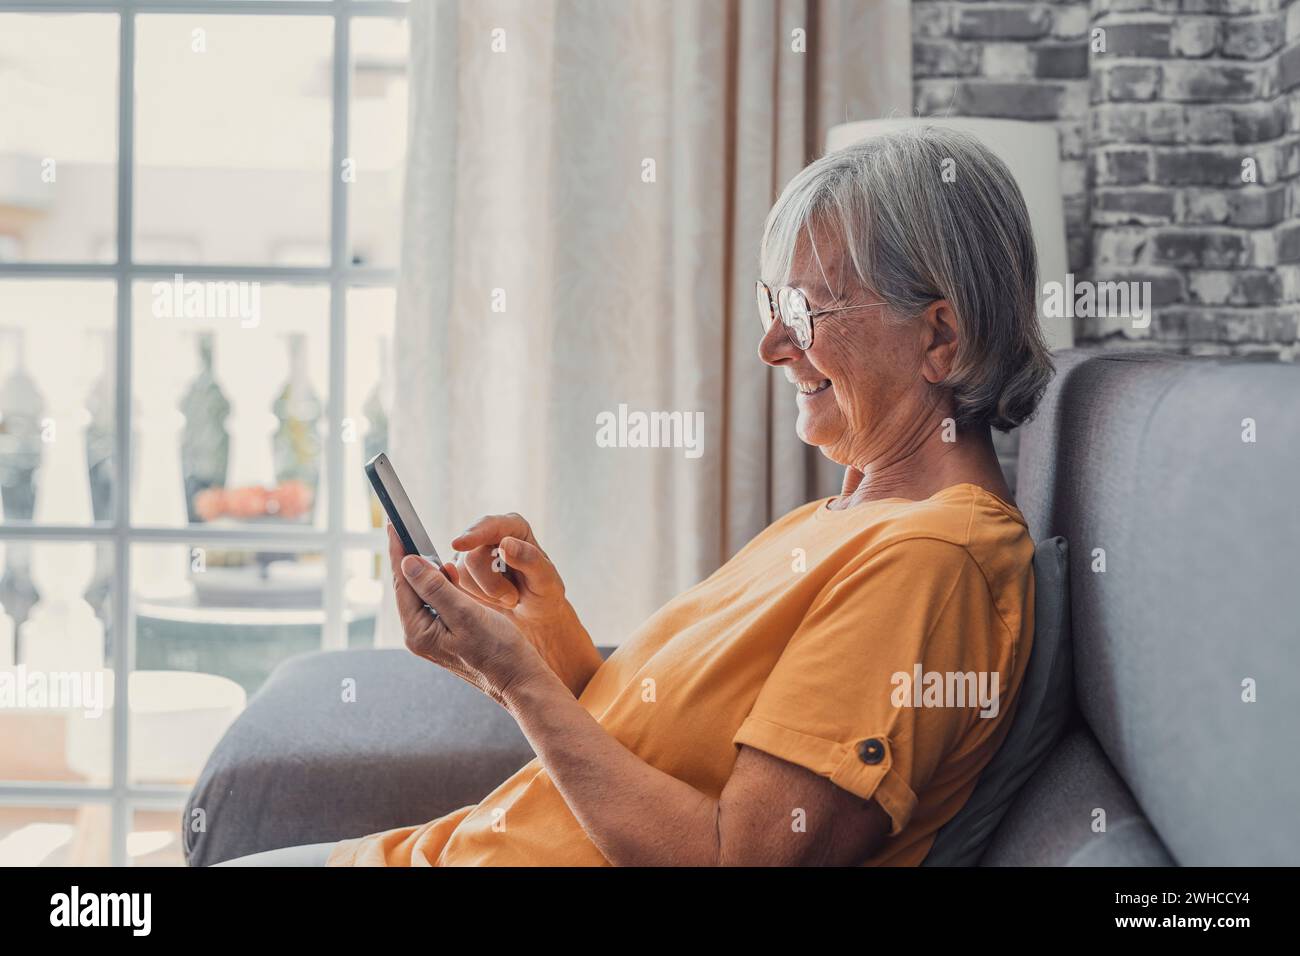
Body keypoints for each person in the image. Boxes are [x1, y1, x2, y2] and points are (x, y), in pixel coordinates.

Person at [219, 126, 1053, 867]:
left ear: (939, 337)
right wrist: (537, 638)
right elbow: (670, 753)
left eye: (803, 309)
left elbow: (735, 856)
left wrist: (519, 682)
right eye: (773, 303)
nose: (770, 345)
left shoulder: (931, 563)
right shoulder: (851, 518)